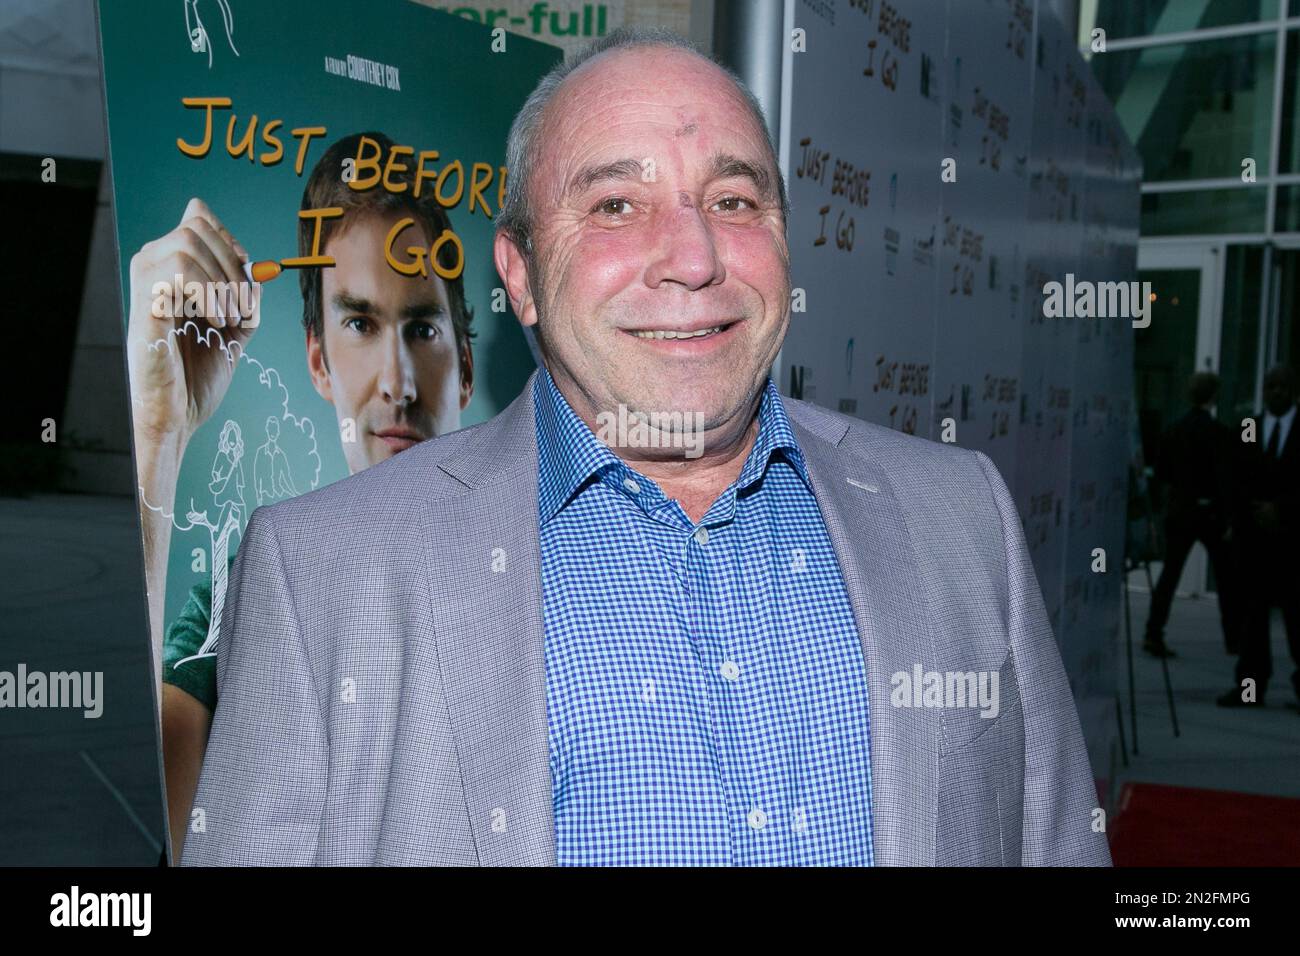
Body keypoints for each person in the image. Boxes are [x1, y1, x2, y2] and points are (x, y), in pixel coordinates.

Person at [183, 28, 1110, 866]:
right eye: (618, 205)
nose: (694, 255)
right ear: (521, 274)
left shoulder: (961, 517)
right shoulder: (322, 569)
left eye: (736, 199)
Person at [126, 131, 475, 860]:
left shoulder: (539, 573)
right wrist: (157, 431)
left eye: (422, 327)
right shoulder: (243, 593)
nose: (398, 383)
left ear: (464, 366)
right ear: (317, 362)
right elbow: (145, 824)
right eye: (360, 322)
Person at [1217, 365, 1300, 708]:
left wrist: (1282, 509)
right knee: (1253, 619)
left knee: (1297, 619)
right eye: (1270, 386)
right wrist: (1244, 515)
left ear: (1293, 390)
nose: (1275, 392)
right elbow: (1236, 475)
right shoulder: (1249, 428)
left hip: (1293, 541)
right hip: (1254, 542)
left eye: (1282, 386)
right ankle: (1250, 689)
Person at [1142, 371, 1237, 659]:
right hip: (1209, 513)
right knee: (1226, 578)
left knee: (1170, 575)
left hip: (1181, 510)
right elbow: (1226, 479)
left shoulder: (1174, 431)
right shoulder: (1219, 434)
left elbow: (1162, 474)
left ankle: (1153, 632)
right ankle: (1234, 638)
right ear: (1214, 396)